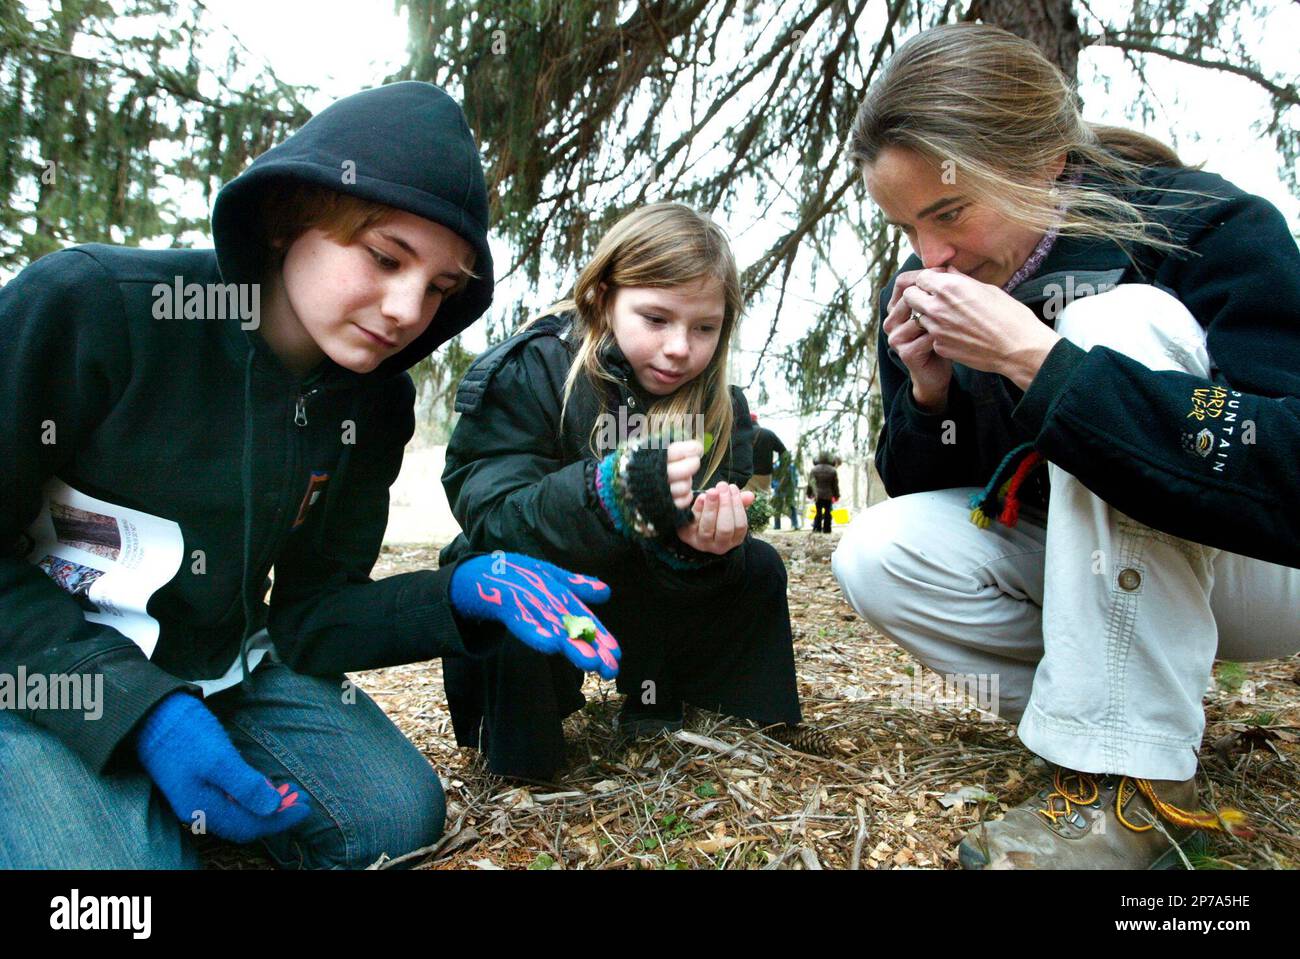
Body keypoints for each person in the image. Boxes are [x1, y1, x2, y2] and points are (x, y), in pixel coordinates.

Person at [0, 82, 617, 870]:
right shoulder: (92, 307)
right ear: (291, 217)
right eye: (386, 257)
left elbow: (311, 614)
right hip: (35, 670)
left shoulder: (376, 402)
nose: (405, 309)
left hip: (219, 671)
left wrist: (463, 589)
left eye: (440, 288)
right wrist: (138, 711)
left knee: (396, 815)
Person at [831, 23, 1300, 869]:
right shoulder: (940, 280)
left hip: (1254, 561)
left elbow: (1288, 464)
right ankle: (1114, 714)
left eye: (948, 212)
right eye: (904, 225)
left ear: (1044, 157)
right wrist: (930, 393)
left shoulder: (1205, 223)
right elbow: (928, 487)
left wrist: (1037, 361)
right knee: (876, 552)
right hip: (1099, 576)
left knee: (1115, 323)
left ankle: (1134, 780)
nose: (928, 253)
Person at [440, 202, 802, 781]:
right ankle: (518, 748)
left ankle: (686, 706)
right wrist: (610, 494)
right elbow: (492, 512)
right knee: (488, 567)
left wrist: (701, 542)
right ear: (603, 295)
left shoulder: (719, 405)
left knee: (755, 564)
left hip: (645, 583)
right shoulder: (530, 370)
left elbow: (711, 511)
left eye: (704, 327)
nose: (681, 348)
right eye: (656, 319)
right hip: (542, 570)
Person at [745, 413, 788, 495]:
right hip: (765, 475)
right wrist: (779, 469)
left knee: (747, 498)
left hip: (747, 474)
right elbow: (783, 452)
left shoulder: (742, 434)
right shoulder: (769, 434)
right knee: (764, 498)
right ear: (756, 420)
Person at [806, 453, 840, 533]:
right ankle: (827, 529)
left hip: (818, 495)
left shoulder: (814, 470)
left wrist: (809, 493)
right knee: (828, 512)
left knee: (818, 512)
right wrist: (836, 495)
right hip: (828, 495)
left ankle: (817, 528)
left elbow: (811, 483)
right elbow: (835, 485)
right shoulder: (833, 470)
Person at [770, 453, 801, 530]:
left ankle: (795, 524)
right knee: (778, 506)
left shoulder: (792, 468)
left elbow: (795, 479)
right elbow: (773, 479)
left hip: (789, 491)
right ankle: (777, 525)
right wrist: (776, 486)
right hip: (779, 490)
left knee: (791, 506)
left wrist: (794, 486)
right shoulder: (776, 468)